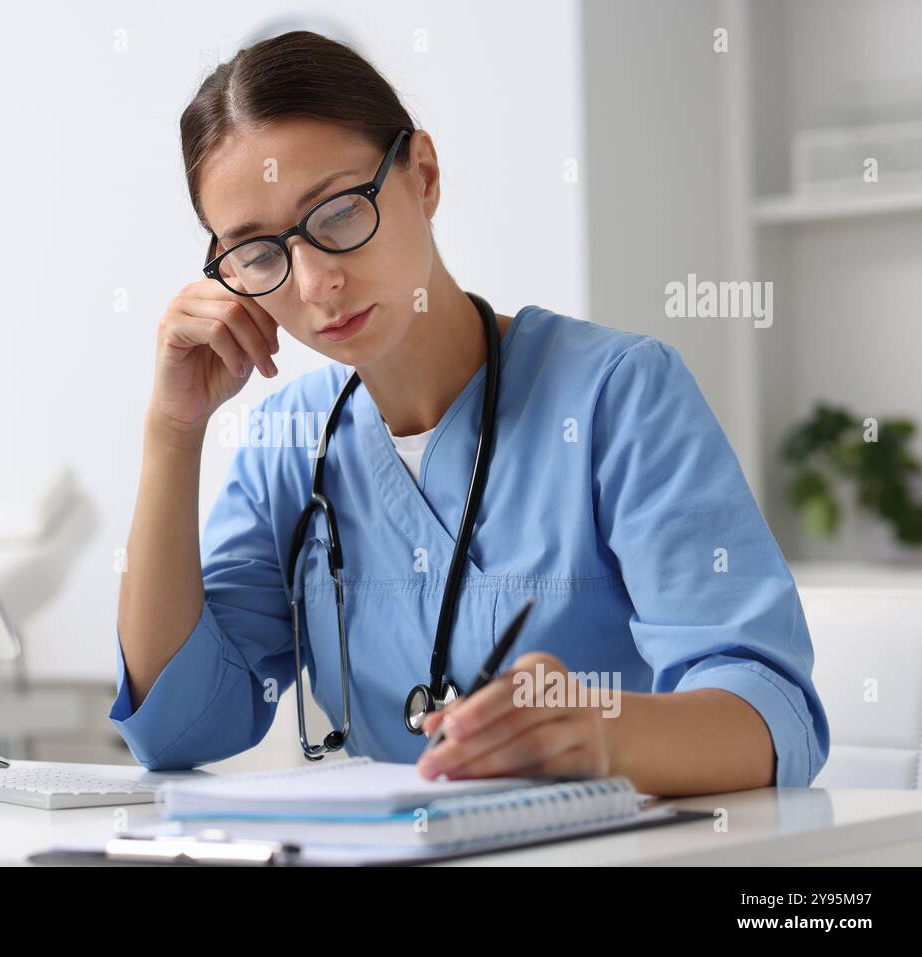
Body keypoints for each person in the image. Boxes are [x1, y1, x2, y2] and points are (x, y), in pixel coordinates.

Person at [111, 30, 828, 796]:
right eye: (258, 252)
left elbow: (771, 715)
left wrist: (593, 733)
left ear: (421, 175)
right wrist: (172, 433)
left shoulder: (618, 395)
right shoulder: (291, 446)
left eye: (339, 212)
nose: (316, 281)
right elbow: (180, 727)